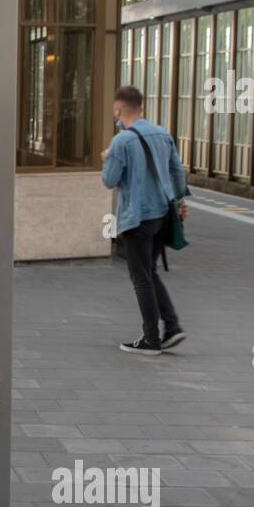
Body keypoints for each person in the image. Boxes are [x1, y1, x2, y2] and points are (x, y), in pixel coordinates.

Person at [101, 85, 189, 356]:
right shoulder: (163, 134)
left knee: (140, 278)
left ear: (118, 109)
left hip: (136, 217)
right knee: (149, 272)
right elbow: (177, 172)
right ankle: (172, 327)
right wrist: (181, 203)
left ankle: (151, 338)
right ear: (141, 106)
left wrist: (107, 159)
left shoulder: (121, 141)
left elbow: (109, 180)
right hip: (162, 214)